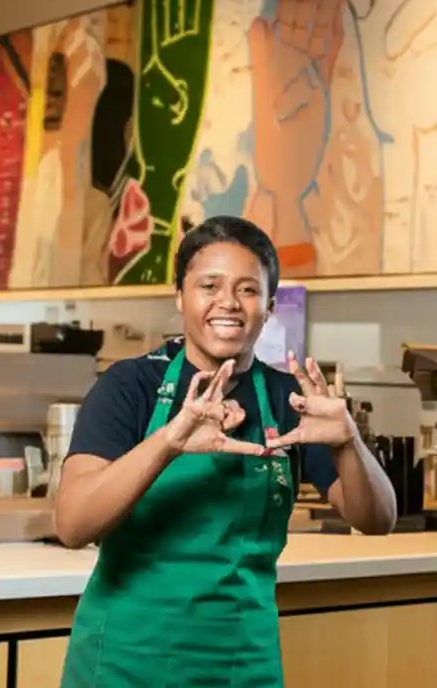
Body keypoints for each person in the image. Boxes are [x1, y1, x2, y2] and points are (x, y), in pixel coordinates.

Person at [54, 215, 398, 687]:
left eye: (248, 290)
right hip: (126, 661)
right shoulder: (130, 387)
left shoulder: (288, 398)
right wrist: (169, 441)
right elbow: (72, 525)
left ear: (270, 306)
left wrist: (348, 440)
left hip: (243, 664)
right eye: (209, 285)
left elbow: (378, 520)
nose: (228, 303)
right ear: (180, 296)